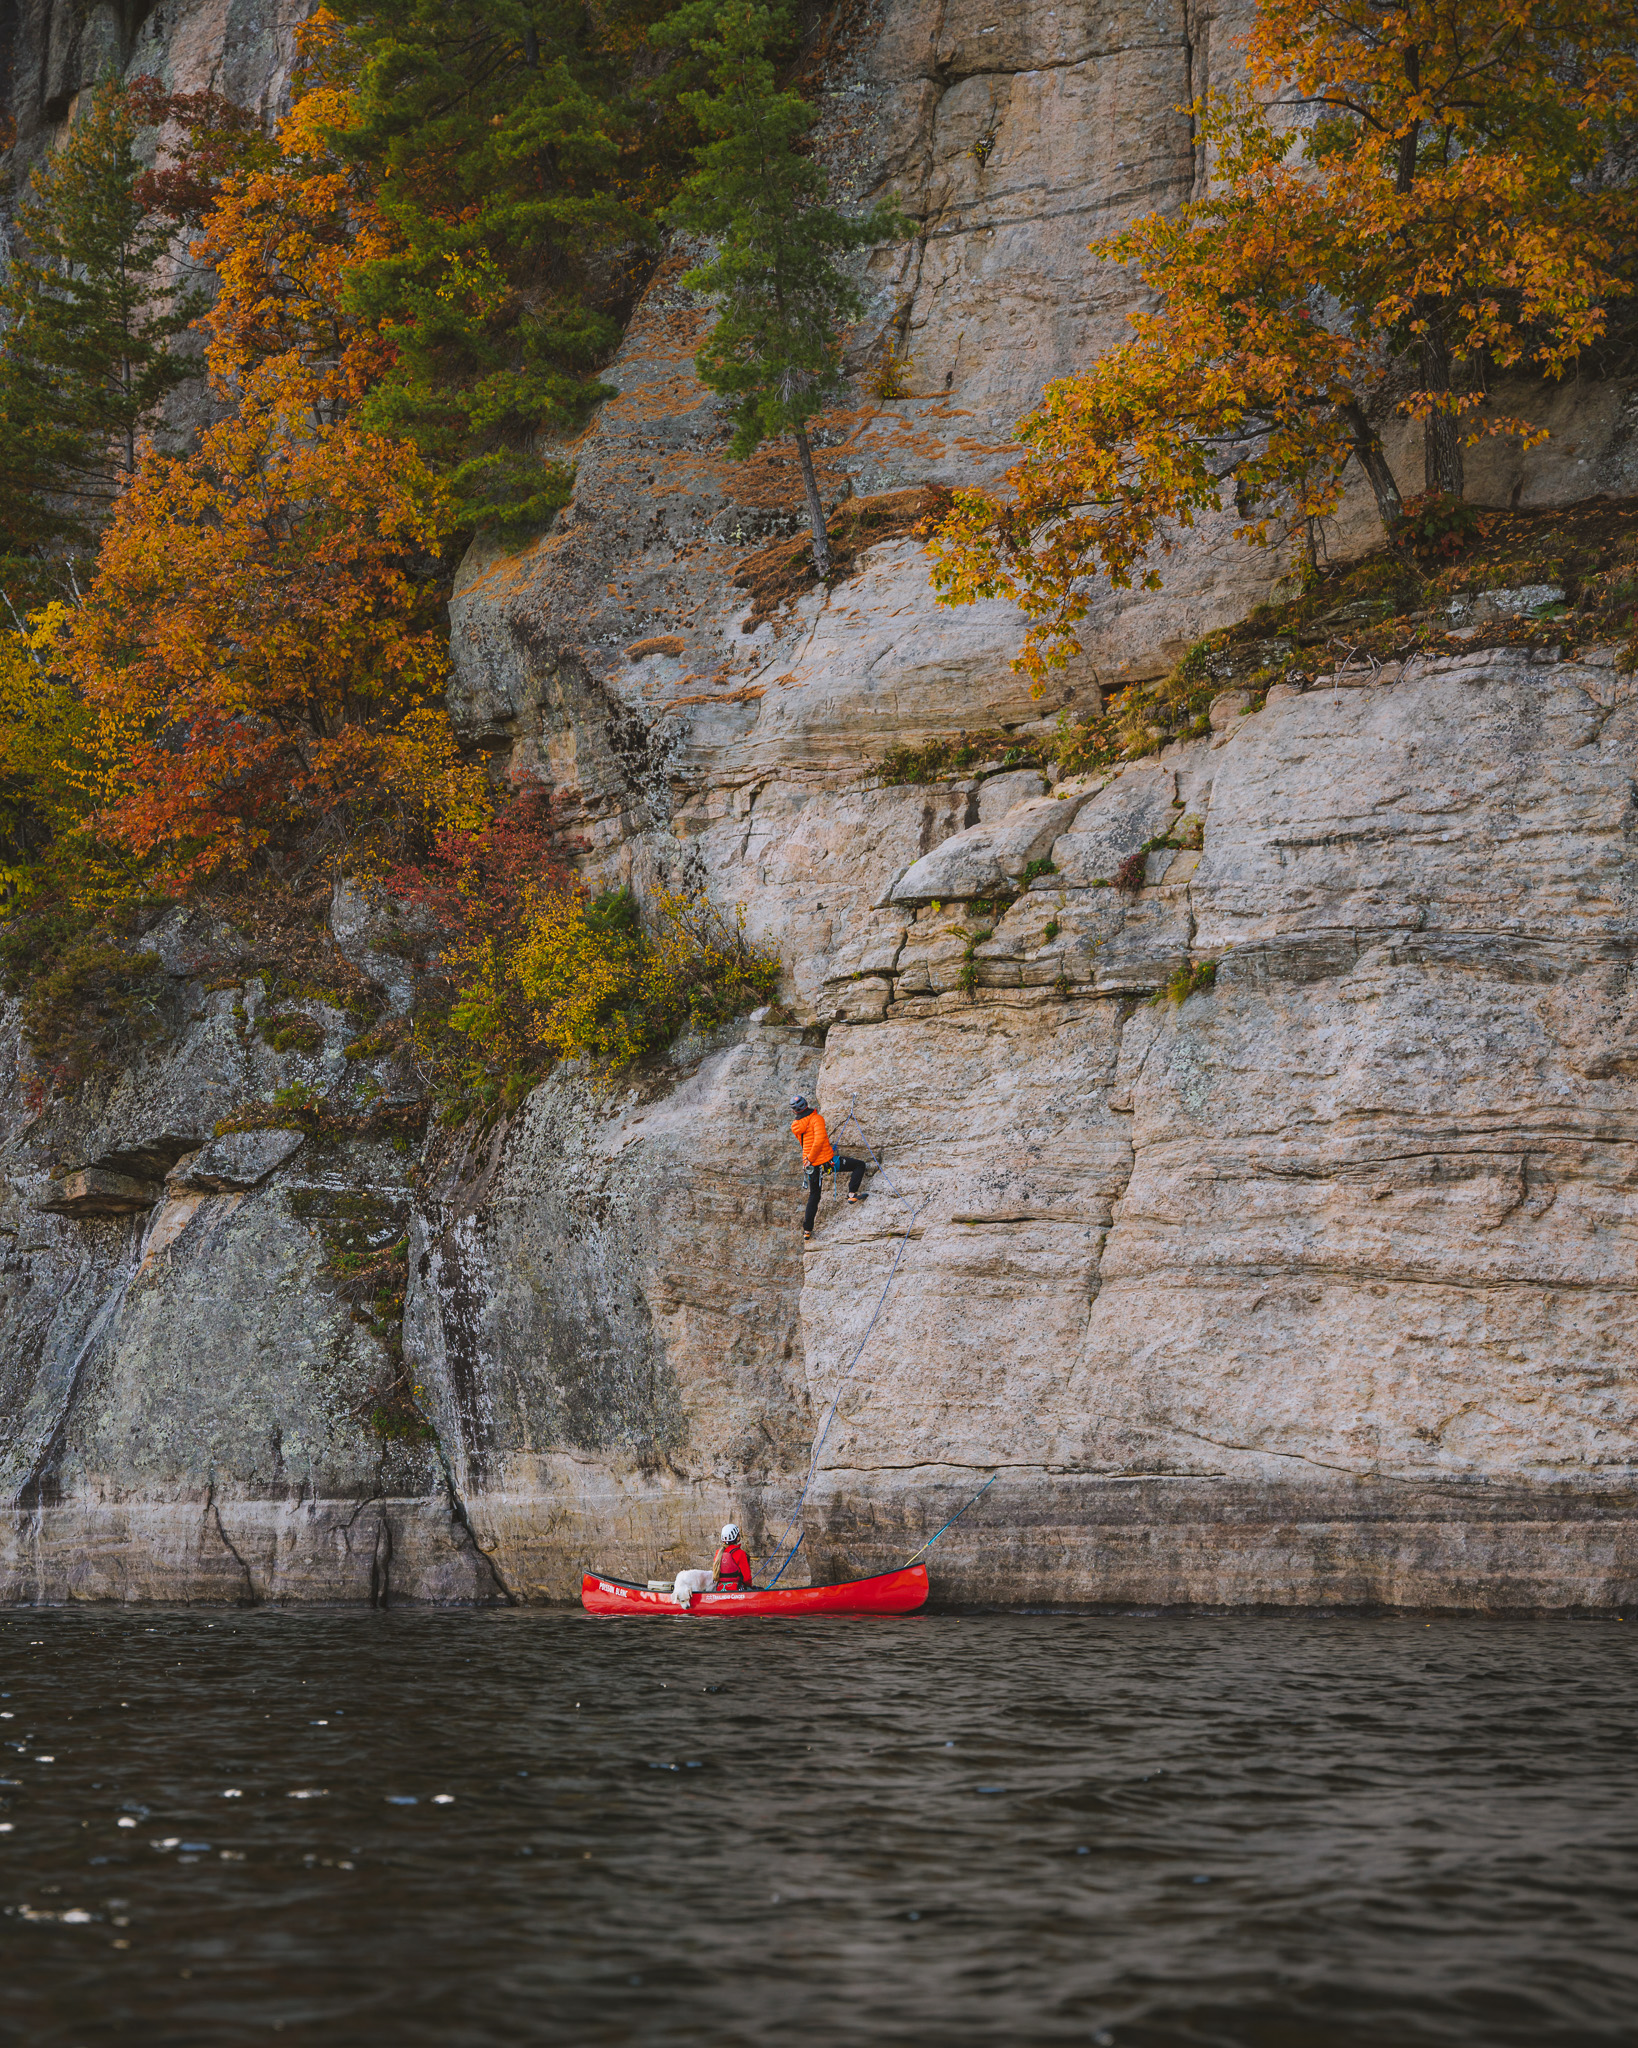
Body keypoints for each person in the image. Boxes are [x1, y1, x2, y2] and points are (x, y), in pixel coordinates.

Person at [790, 1094, 869, 1242]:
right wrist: (814, 1157)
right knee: (859, 1165)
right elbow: (818, 1141)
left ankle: (807, 1231)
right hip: (826, 1161)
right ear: (806, 1104)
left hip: (811, 1166)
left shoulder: (795, 1126)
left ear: (794, 1111)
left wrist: (808, 1160)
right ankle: (852, 1194)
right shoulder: (816, 1119)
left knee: (814, 1195)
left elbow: (807, 1143)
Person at [713, 1523, 753, 1592]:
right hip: (736, 1589)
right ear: (737, 1538)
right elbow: (747, 1579)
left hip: (719, 1589)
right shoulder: (740, 1553)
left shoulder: (718, 1553)